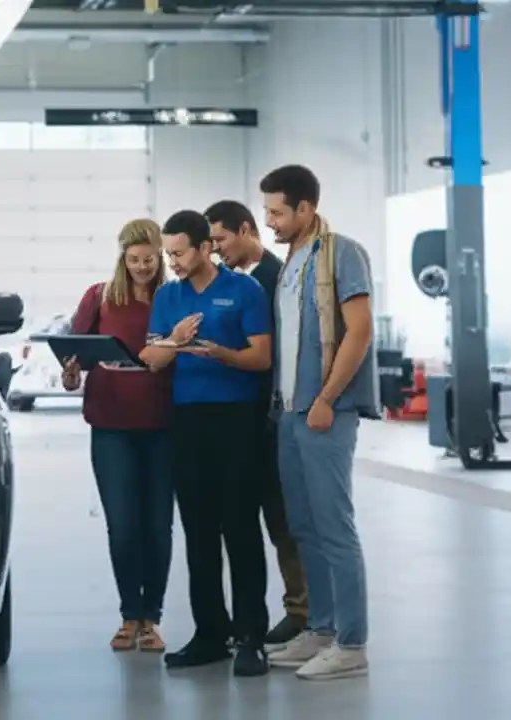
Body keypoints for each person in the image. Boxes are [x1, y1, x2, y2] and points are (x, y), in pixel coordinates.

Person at [139, 210, 273, 677]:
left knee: (239, 527)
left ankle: (251, 634)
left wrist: (222, 355)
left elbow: (261, 357)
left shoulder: (244, 291)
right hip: (188, 421)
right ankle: (209, 633)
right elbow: (151, 359)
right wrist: (176, 342)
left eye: (178, 253)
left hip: (236, 420)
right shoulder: (168, 297)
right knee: (198, 533)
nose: (172, 261)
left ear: (203, 248)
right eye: (168, 254)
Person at [258, 164, 375, 681]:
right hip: (288, 413)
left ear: (305, 208)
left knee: (334, 526)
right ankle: (322, 629)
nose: (270, 222)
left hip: (324, 410)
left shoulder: (342, 253)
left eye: (278, 212)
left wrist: (327, 396)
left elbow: (359, 331)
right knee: (303, 526)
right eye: (266, 212)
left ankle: (351, 642)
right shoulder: (291, 261)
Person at [61, 219, 175, 653]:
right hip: (111, 427)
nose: (142, 267)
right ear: (122, 258)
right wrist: (71, 370)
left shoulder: (173, 296)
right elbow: (76, 351)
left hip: (164, 425)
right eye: (134, 260)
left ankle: (153, 617)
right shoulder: (100, 296)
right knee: (124, 525)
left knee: (158, 527)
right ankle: (130, 614)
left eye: (149, 259)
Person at [205, 199, 309, 646]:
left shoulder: (277, 279)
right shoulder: (227, 282)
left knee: (285, 520)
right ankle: (265, 615)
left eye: (221, 240)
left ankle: (304, 611)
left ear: (247, 230)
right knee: (250, 522)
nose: (215, 250)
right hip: (240, 422)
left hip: (275, 418)